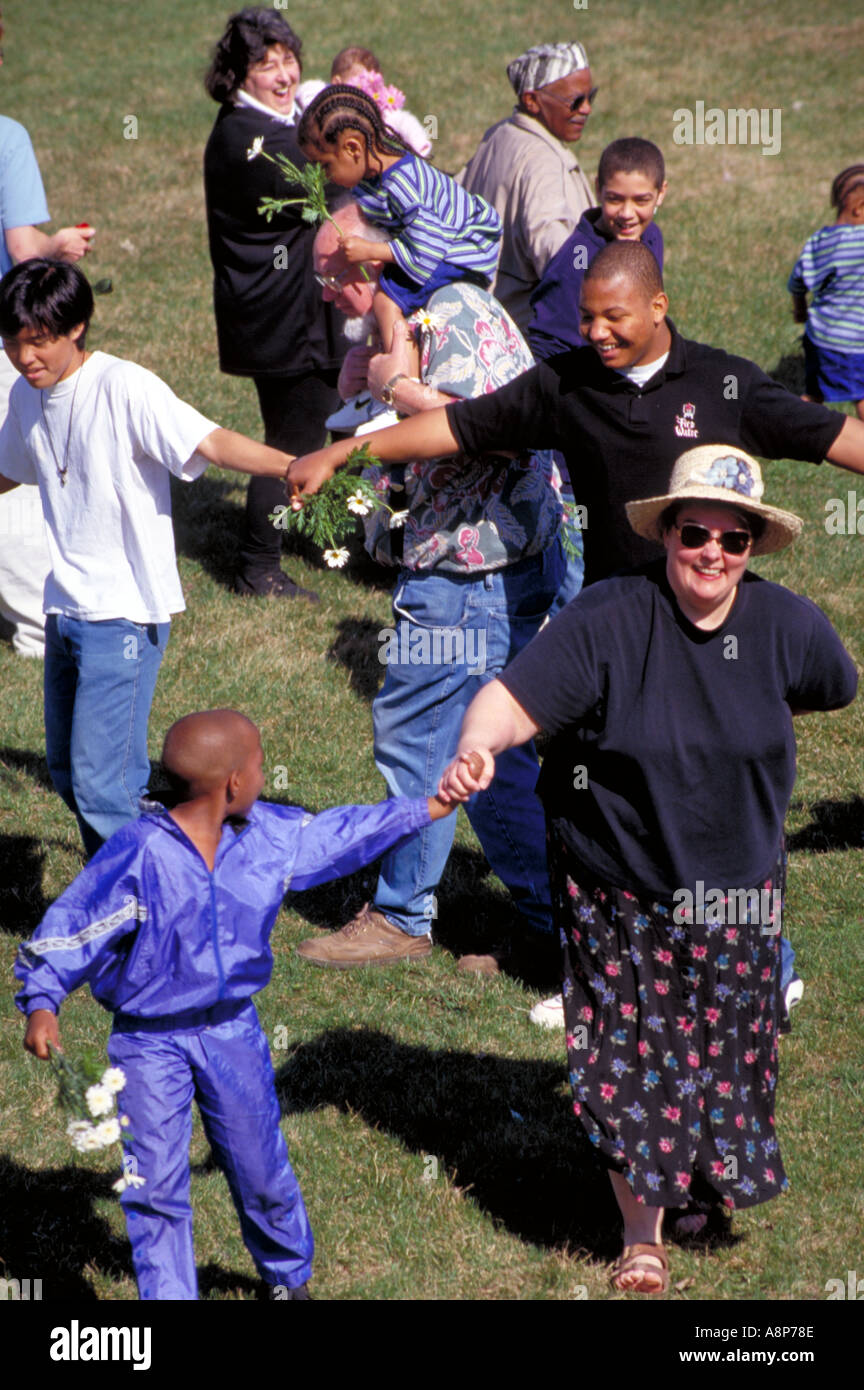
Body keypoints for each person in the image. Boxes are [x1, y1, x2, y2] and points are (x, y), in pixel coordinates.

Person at [287, 237, 864, 1014]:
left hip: (704, 628)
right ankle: (602, 968)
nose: (594, 332)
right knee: (588, 800)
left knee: (700, 808)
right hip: (608, 632)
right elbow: (461, 427)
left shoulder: (723, 384)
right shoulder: (568, 385)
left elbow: (827, 437)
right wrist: (352, 451)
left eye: (613, 317)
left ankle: (768, 963)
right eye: (587, 316)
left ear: (659, 308)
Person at [438, 446, 857, 1293]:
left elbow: (837, 685)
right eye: (694, 531)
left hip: (739, 889)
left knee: (727, 1051)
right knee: (631, 1056)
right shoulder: (611, 617)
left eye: (732, 540)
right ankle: (642, 1235)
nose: (711, 552)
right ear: (667, 530)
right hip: (618, 885)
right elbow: (511, 700)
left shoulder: (786, 627)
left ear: (752, 548)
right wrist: (477, 749)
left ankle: (698, 1179)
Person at [17, 708, 458, 1300]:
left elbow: (338, 835)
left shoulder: (268, 839)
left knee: (259, 1166)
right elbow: (78, 921)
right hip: (148, 1044)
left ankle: (285, 1278)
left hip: (233, 1033)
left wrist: (424, 809)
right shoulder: (142, 853)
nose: (262, 775)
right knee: (153, 1184)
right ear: (232, 783)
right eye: (257, 765)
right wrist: (43, 998)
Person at [290, 201, 564, 970]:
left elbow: (505, 429)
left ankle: (403, 916)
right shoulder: (407, 329)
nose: (324, 292)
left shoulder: (452, 311)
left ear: (369, 264)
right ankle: (552, 919)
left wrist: (395, 393)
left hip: (471, 576)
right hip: (482, 565)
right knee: (499, 751)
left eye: (328, 274)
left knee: (420, 741)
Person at [0, 259, 302, 858]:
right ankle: (143, 872)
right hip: (66, 608)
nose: (24, 355)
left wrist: (291, 466)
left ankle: (149, 904)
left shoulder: (124, 387)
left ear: (78, 327)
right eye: (12, 342)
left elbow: (210, 441)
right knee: (66, 770)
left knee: (102, 785)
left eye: (39, 341)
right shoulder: (25, 393)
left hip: (123, 615)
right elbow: (8, 471)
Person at [203, 5, 345, 600]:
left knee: (318, 424)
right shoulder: (248, 138)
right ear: (238, 77)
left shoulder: (278, 121)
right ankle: (258, 566)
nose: (283, 74)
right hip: (278, 314)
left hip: (302, 307)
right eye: (266, 65)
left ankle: (313, 526)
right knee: (290, 437)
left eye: (289, 59)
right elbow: (330, 176)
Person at [0, 4, 95, 656]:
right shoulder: (6, 137)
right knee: (15, 482)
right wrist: (57, 249)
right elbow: (22, 245)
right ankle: (40, 629)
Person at [297, 85, 501, 357]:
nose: (322, 176)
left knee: (386, 297)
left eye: (324, 166)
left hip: (462, 255)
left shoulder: (402, 186)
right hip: (438, 248)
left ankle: (397, 366)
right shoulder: (373, 174)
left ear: (353, 148)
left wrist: (369, 250)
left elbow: (427, 248)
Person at [457, 41, 596, 333]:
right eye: (576, 100)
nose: (587, 109)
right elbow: (550, 238)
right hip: (524, 340)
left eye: (590, 96)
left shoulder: (499, 135)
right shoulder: (542, 161)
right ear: (532, 100)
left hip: (479, 320)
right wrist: (598, 288)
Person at [528, 137, 666, 361]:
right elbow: (550, 342)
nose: (627, 214)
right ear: (598, 190)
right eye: (615, 199)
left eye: (641, 201)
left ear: (661, 193)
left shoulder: (651, 237)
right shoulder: (579, 258)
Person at [788, 163, 864, 422]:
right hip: (855, 342)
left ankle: (793, 424)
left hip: (819, 337)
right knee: (862, 395)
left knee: (815, 391)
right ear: (860, 207)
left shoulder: (819, 241)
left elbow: (798, 282)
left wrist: (799, 310)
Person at [296, 45, 432, 156]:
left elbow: (403, 121)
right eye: (361, 86)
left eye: (374, 88)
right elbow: (307, 91)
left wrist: (420, 145)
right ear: (337, 83)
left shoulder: (379, 111)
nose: (367, 95)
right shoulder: (323, 96)